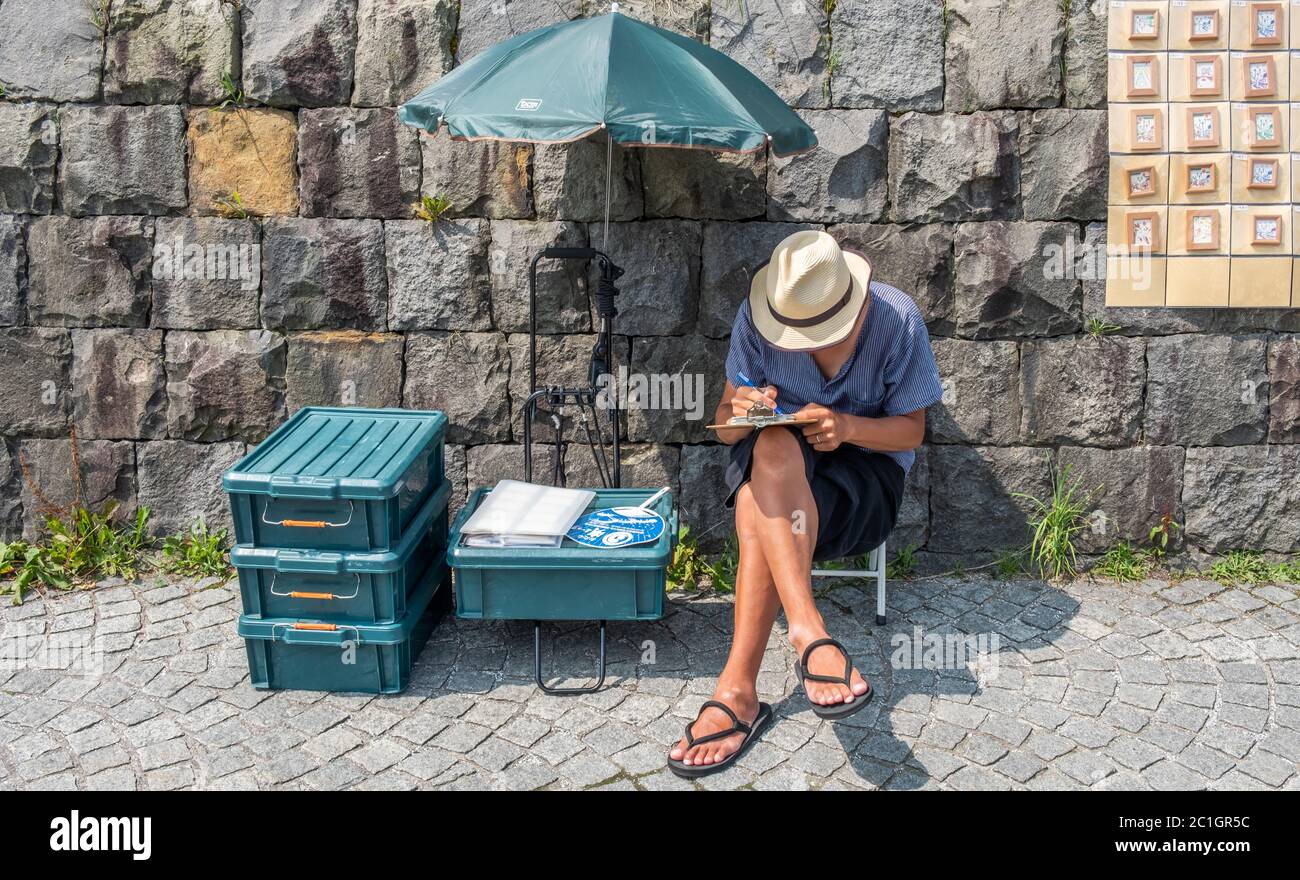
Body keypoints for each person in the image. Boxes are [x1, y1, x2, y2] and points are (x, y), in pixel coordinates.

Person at [667, 230, 944, 779]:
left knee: (753, 510)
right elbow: (725, 429)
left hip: (862, 484)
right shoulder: (757, 316)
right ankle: (808, 633)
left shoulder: (896, 319)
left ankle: (737, 691)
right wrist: (740, 408)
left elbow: (912, 431)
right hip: (781, 474)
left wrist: (845, 427)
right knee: (770, 445)